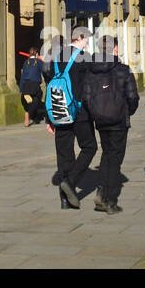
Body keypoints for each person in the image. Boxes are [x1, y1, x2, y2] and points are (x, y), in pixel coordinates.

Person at [82, 34, 138, 214]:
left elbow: (86, 97)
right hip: (119, 120)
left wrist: (97, 113)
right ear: (114, 49)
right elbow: (132, 97)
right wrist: (127, 111)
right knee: (115, 159)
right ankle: (110, 199)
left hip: (101, 120)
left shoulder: (91, 70)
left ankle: (101, 189)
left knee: (107, 154)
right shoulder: (123, 69)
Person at [45, 29, 95, 208]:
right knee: (89, 147)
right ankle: (71, 182)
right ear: (79, 38)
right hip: (80, 112)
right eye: (86, 39)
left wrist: (49, 118)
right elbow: (90, 86)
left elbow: (51, 85)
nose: (87, 43)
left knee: (64, 154)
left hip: (59, 110)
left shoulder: (56, 57)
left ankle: (64, 200)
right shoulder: (85, 58)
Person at [18, 45, 45, 127]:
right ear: (37, 54)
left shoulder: (26, 62)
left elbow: (23, 76)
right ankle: (30, 114)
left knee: (28, 101)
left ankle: (28, 113)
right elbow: (45, 70)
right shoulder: (39, 62)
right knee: (37, 98)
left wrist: (21, 88)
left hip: (26, 85)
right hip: (35, 85)